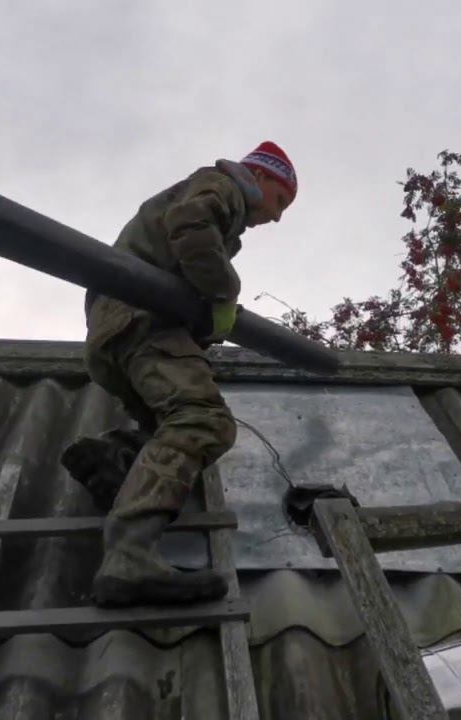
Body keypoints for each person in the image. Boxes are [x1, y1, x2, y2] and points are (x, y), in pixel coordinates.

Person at [61, 141, 297, 607]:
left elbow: (180, 257)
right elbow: (190, 225)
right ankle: (129, 554)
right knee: (203, 421)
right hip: (143, 322)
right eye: (280, 201)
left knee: (164, 428)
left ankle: (115, 459)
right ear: (262, 178)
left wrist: (204, 319)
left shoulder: (214, 201)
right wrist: (224, 293)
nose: (277, 216)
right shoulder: (223, 187)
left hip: (114, 332)